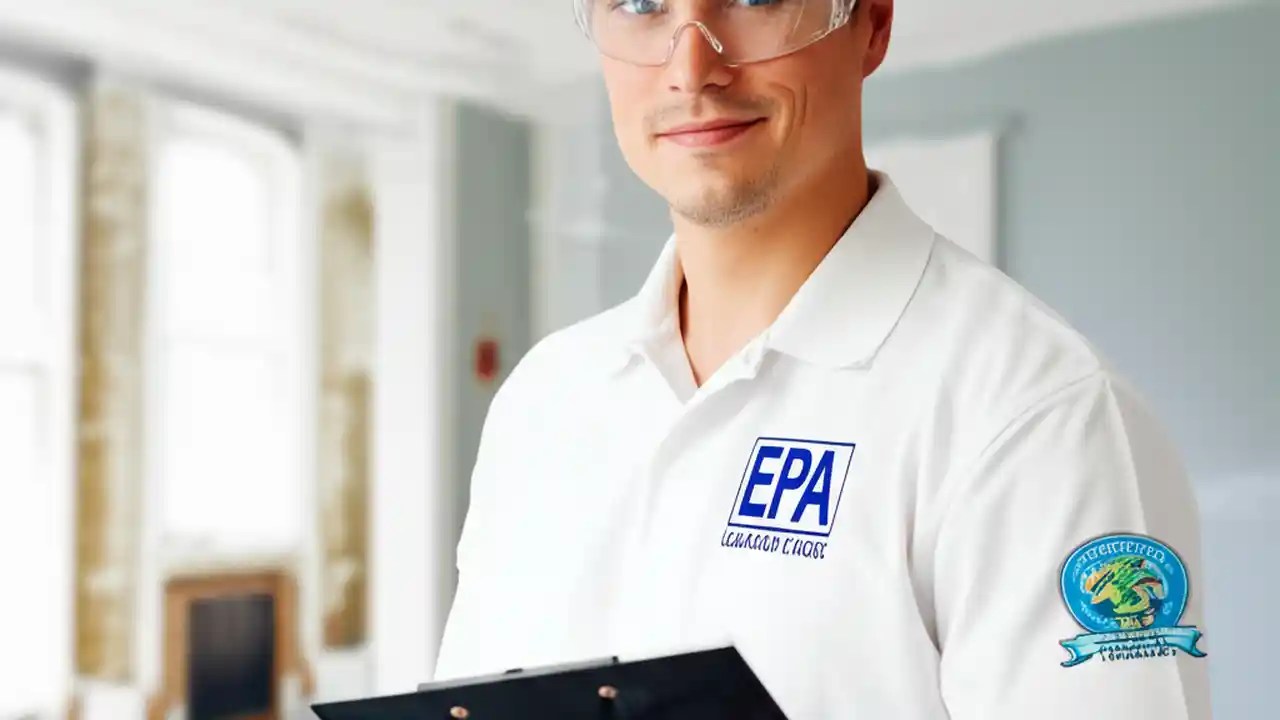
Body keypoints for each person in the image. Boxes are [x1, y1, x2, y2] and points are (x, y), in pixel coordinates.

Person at [435, 1, 1213, 717]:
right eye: (640, 3)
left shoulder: (1036, 412)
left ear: (871, 23)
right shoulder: (544, 399)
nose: (691, 66)